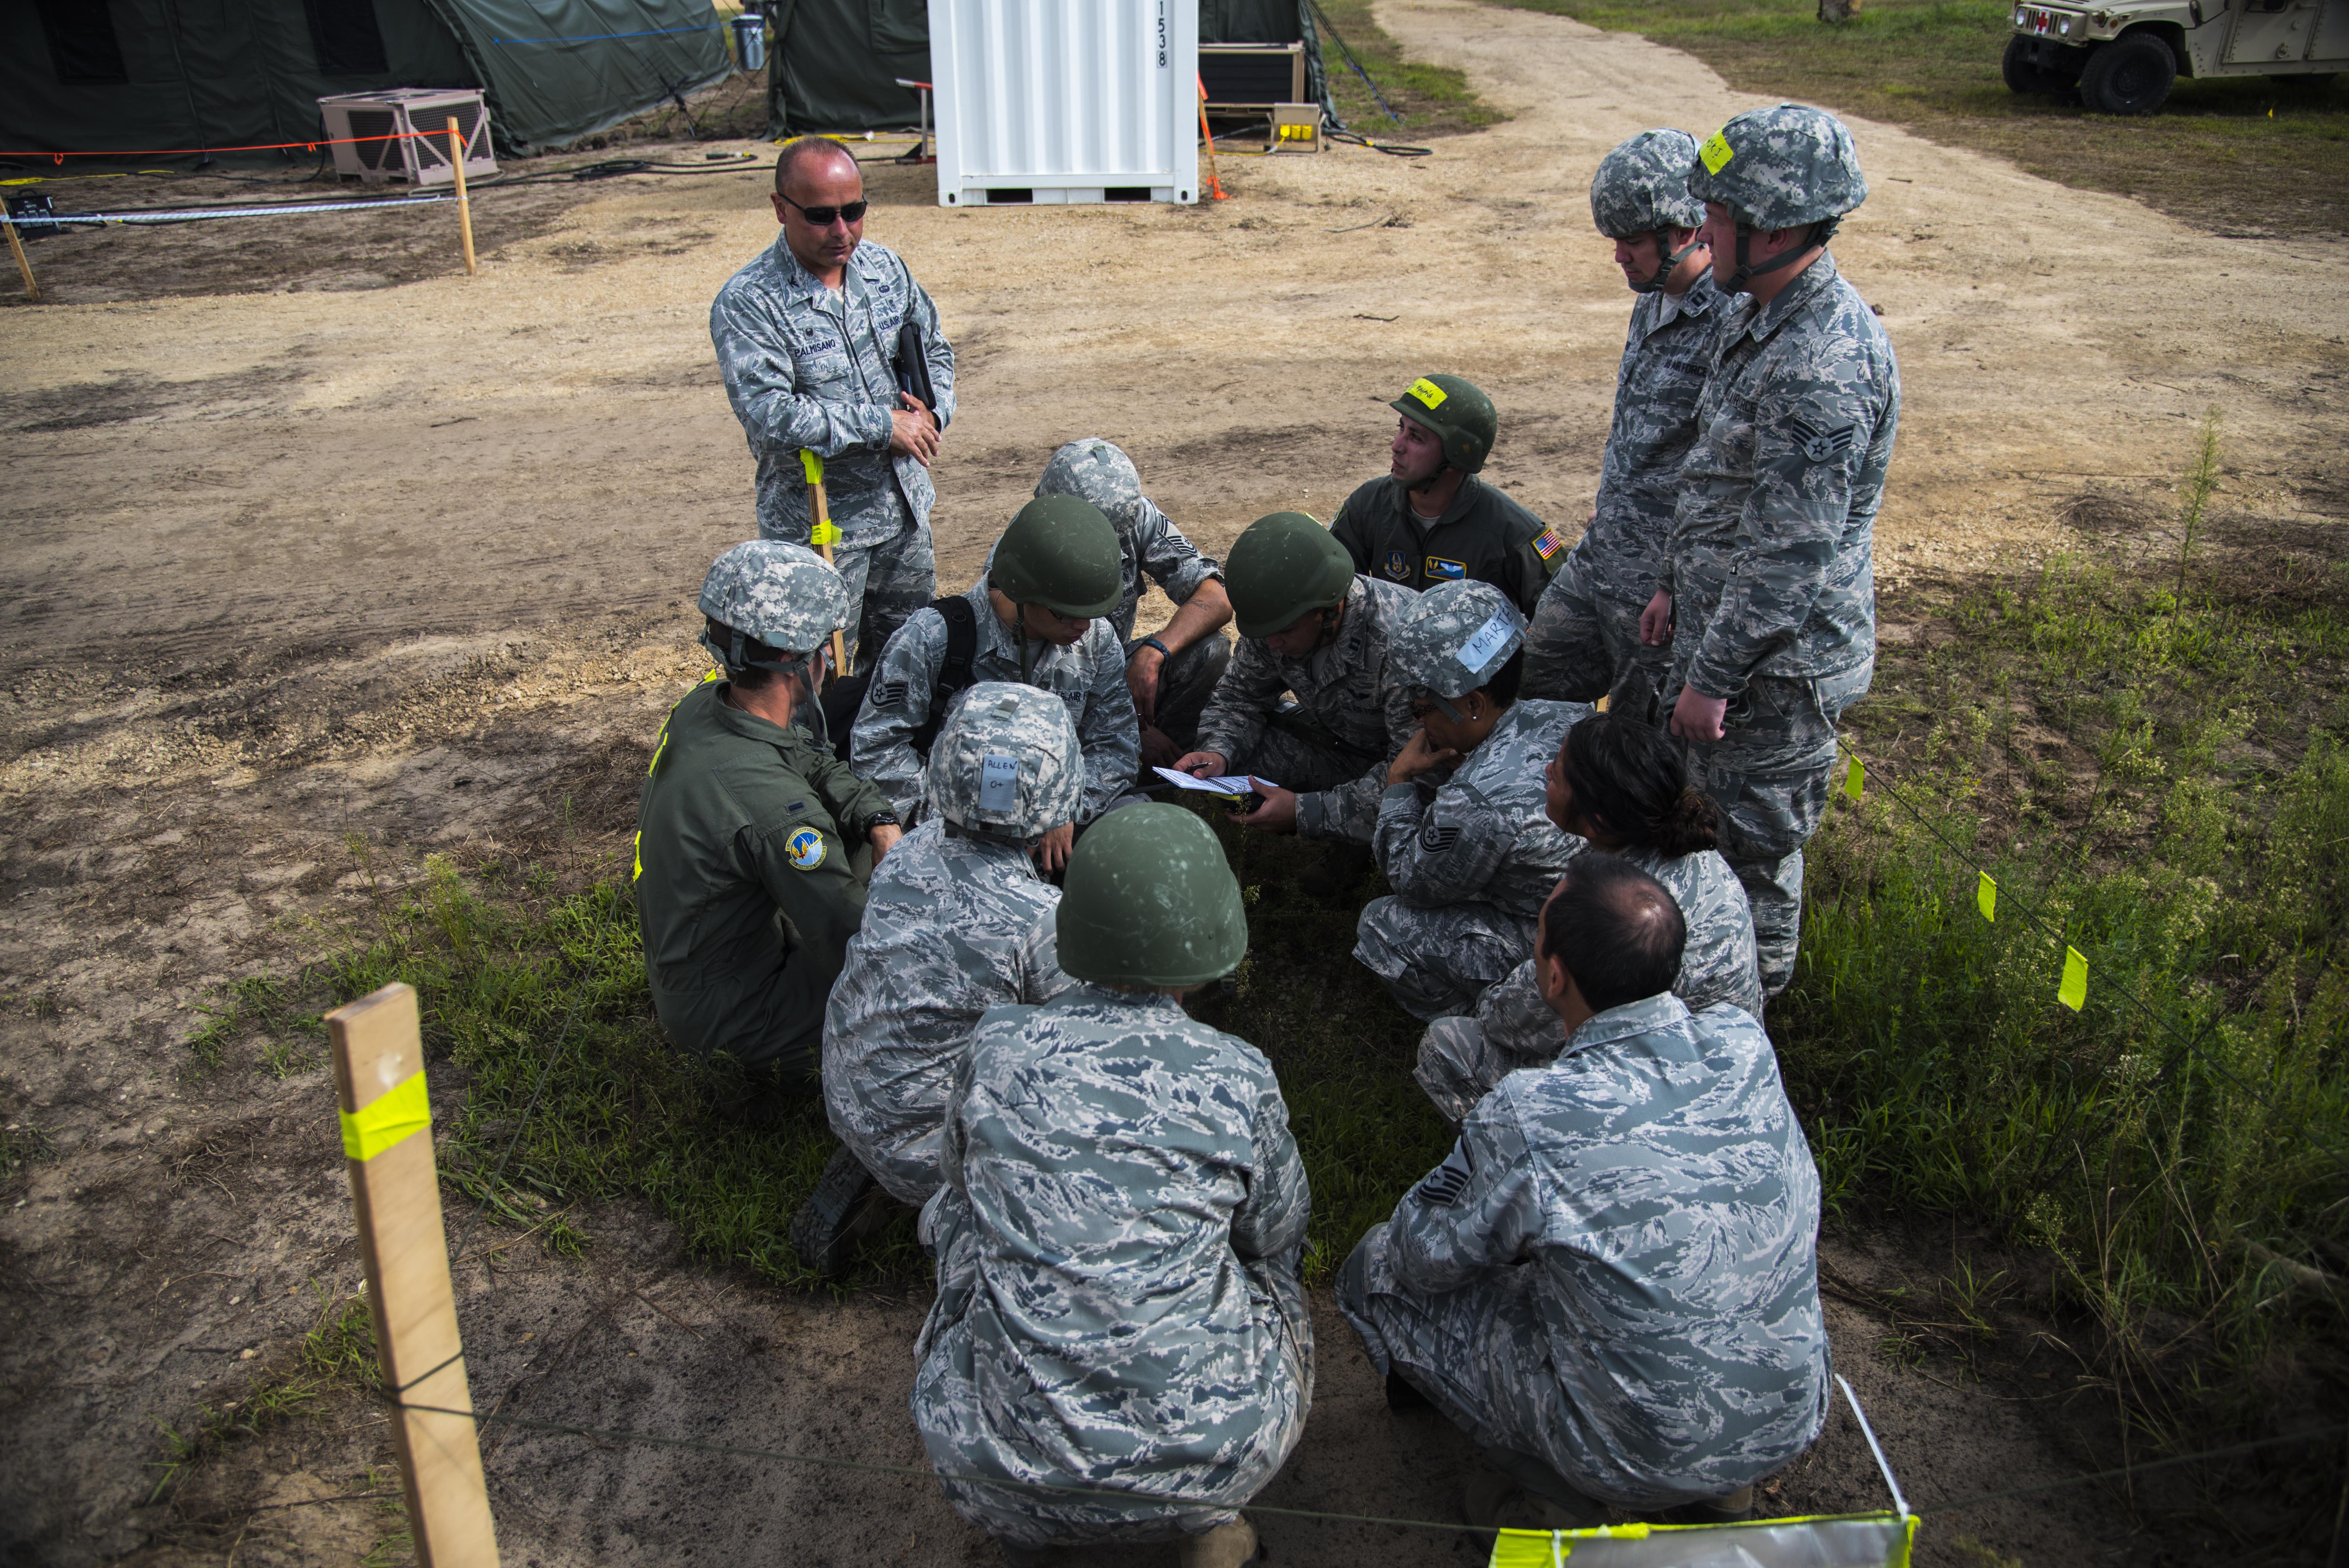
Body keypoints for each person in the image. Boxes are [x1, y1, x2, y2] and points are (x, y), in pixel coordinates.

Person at [1340, 852, 1829, 1525]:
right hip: (1787, 1418)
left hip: (1629, 1451)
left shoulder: (1534, 1111)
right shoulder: (1743, 1044)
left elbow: (1422, 1255)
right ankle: (1721, 1488)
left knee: (1374, 1268)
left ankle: (1560, 1491)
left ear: (1553, 973)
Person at [911, 805, 1311, 1568]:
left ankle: (1028, 1512)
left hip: (994, 1465)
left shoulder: (996, 1048)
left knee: (958, 1221)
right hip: (1207, 1465)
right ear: (1214, 941)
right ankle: (1209, 1526)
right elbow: (1276, 1229)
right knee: (1275, 1269)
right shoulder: (1236, 1076)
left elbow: (956, 1186)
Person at [1642, 105, 1899, 998]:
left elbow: (1788, 557)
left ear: (1777, 227)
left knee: (1752, 854)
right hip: (1724, 639)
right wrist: (1674, 586)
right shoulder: (1758, 313)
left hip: (1773, 672)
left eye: (1718, 215)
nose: (1701, 231)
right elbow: (1718, 477)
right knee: (1708, 832)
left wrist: (1711, 678)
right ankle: (1700, 996)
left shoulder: (1819, 367)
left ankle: (1749, 1035)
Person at [806, 684, 1082, 1277]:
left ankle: (880, 1161)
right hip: (938, 1153)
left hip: (850, 1096)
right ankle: (962, 1227)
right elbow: (1079, 1041)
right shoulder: (1038, 922)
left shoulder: (908, 852)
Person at [633, 542, 902, 1096]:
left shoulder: (707, 706)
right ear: (805, 660)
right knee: (914, 1009)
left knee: (862, 854)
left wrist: (876, 817)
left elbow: (806, 755)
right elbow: (855, 941)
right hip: (733, 1014)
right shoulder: (778, 813)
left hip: (706, 960)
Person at [1414, 710, 1762, 1124]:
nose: (1546, 771)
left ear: (1597, 819)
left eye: (1558, 774)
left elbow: (1508, 1020)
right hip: (1732, 1075)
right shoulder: (1689, 854)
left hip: (1663, 1112)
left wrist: (1493, 1001)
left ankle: (1522, 1156)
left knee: (1447, 1044)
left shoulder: (1612, 912)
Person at [712, 135, 958, 670]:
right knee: (817, 676)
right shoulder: (750, 302)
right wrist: (881, 425)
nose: (842, 230)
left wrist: (932, 412)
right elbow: (771, 414)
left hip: (904, 515)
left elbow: (935, 348)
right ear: (781, 208)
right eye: (822, 216)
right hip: (820, 530)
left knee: (908, 667)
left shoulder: (885, 271)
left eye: (854, 211)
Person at [1522, 131, 1723, 723]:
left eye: (1632, 242)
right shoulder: (1654, 294)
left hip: (1663, 583)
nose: (1618, 257)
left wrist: (1673, 581)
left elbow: (1722, 473)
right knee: (1530, 673)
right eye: (1614, 241)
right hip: (1607, 553)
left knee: (1640, 736)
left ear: (1684, 232)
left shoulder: (1731, 321)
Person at [849, 495, 1140, 874]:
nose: (1083, 625)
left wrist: (1064, 806)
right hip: (948, 833)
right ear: (1022, 591)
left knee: (1136, 825)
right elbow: (876, 748)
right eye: (1066, 613)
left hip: (1055, 833)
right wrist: (968, 819)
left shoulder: (1096, 640)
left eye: (1093, 612)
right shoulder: (933, 638)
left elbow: (1115, 749)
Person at [1353, 580, 1589, 1021]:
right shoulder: (1569, 715)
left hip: (1556, 949)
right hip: (1598, 920)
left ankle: (1485, 1025)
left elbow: (1411, 879)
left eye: (1423, 708)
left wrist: (1400, 780)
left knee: (1383, 925)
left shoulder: (1475, 800)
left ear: (1474, 703)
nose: (1418, 723)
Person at [1176, 511, 1417, 851]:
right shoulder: (1278, 617)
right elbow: (1240, 696)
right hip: (1341, 750)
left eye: (1285, 633)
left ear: (1329, 609)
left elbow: (1418, 774)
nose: (1273, 645)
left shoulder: (1400, 642)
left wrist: (1305, 813)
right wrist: (1218, 750)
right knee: (1231, 778)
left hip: (1405, 768)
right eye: (1266, 634)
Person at [1033, 438, 1234, 769]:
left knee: (1209, 651)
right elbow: (1029, 674)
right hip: (1054, 685)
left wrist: (1153, 652)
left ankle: (1174, 770)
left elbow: (1215, 599)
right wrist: (1131, 729)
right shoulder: (1025, 550)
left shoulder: (1133, 517)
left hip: (1114, 668)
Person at [1330, 373, 1562, 616]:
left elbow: (1562, 622)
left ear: (1456, 457)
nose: (1397, 446)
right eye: (1401, 428)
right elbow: (1328, 596)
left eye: (1416, 437)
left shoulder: (1515, 533)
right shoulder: (1367, 506)